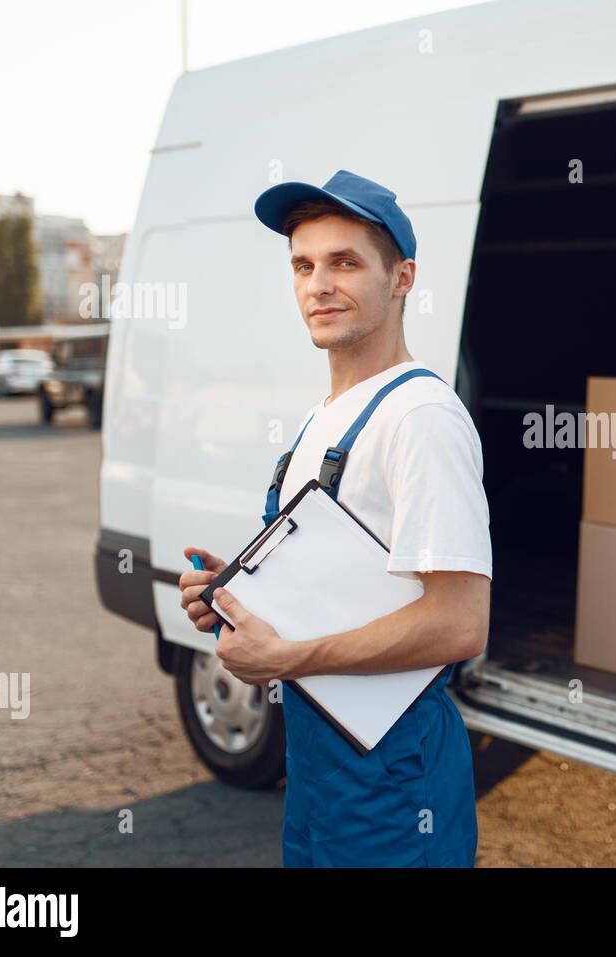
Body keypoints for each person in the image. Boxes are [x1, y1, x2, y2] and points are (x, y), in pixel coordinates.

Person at [177, 170, 492, 867]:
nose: (318, 283)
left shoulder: (421, 419)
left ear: (402, 276)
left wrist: (283, 659)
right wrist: (235, 598)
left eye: (345, 262)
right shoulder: (325, 416)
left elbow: (459, 623)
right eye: (303, 264)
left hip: (395, 779)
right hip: (321, 771)